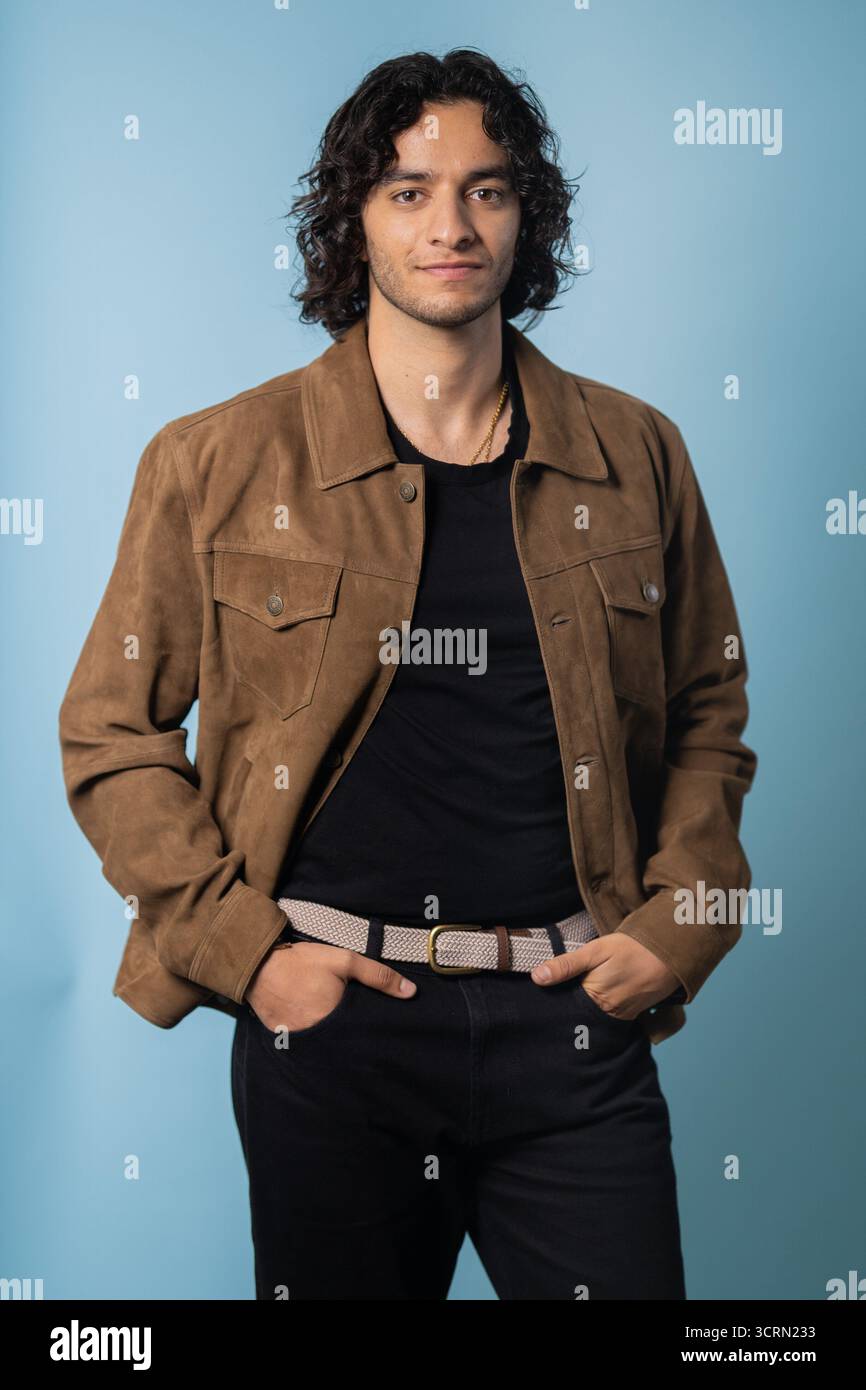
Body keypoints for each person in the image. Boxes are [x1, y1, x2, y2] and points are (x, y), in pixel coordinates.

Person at [59, 48, 757, 1300]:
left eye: (485, 190)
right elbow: (111, 731)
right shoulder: (216, 460)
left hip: (573, 1026)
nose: (450, 225)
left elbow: (708, 712)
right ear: (353, 218)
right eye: (407, 191)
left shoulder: (634, 450)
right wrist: (251, 953)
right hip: (334, 1033)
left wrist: (680, 924)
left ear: (525, 212)